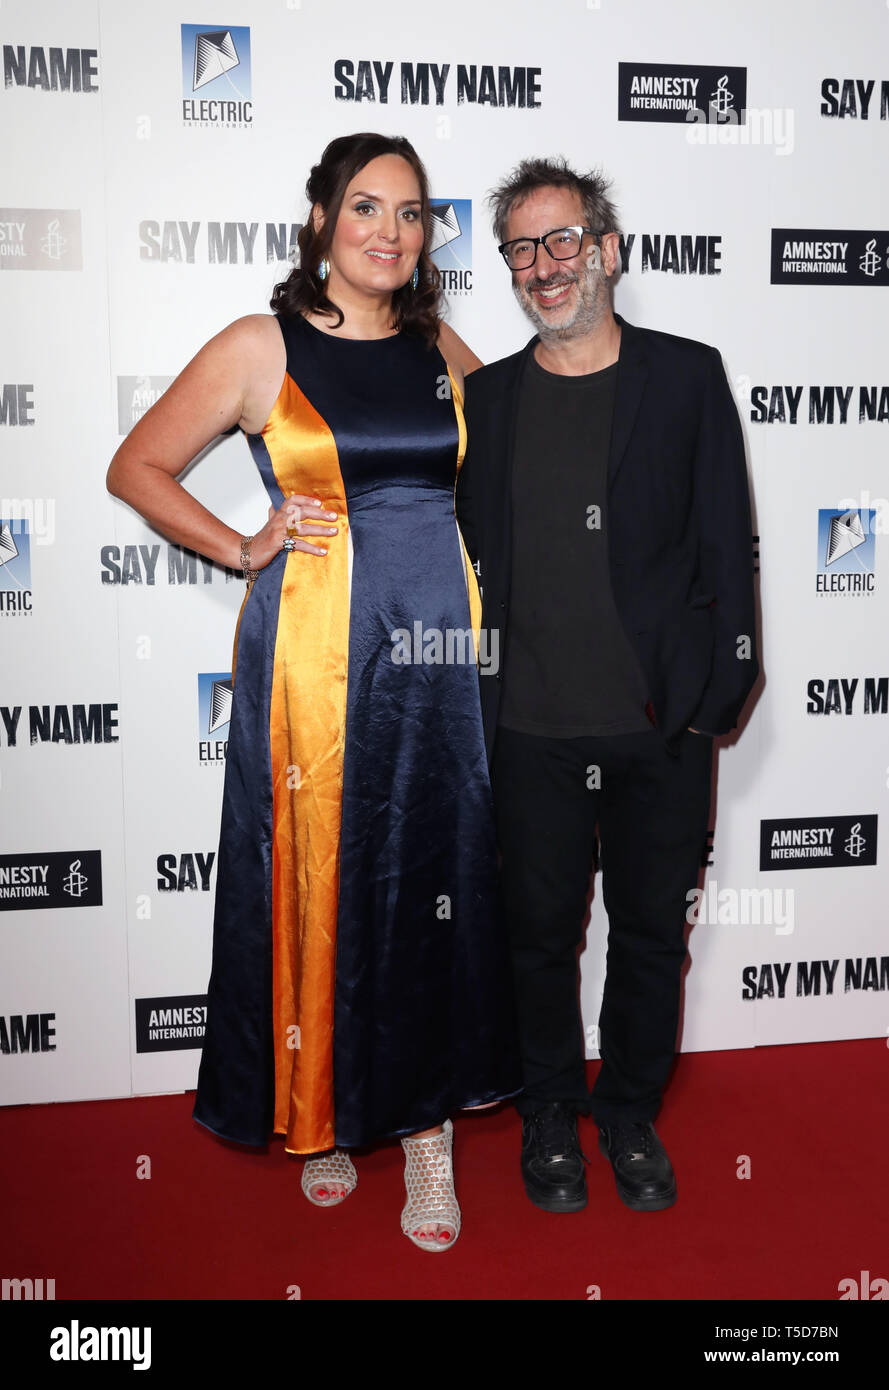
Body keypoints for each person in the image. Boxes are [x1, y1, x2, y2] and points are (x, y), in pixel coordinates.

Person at [106, 131, 520, 1252]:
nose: (389, 231)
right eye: (365, 208)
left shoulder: (442, 346)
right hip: (312, 658)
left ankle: (427, 1133)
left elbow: (523, 457)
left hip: (439, 655)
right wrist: (245, 545)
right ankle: (320, 1109)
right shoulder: (260, 343)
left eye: (410, 212)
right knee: (315, 872)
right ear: (323, 222)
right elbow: (135, 465)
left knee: (433, 870)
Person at [455, 157, 759, 1214]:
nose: (545, 266)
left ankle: (626, 1111)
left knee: (647, 936)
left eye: (564, 241)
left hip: (655, 728)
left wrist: (717, 694)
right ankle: (548, 1110)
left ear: (608, 249)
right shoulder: (485, 402)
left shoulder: (684, 376)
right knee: (537, 937)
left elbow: (727, 542)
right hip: (529, 728)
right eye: (522, 249)